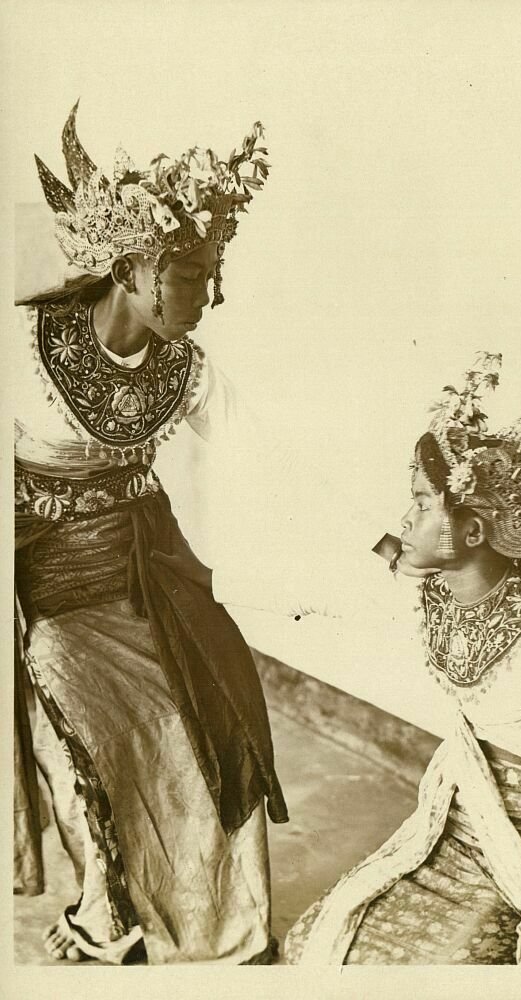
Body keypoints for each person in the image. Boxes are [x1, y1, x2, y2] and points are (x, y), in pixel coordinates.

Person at [212, 352, 521, 965]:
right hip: (461, 820)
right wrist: (201, 584)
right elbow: (326, 574)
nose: (405, 518)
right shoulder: (432, 596)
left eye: (422, 506)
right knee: (319, 942)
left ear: (472, 533)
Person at [13, 102, 288, 965]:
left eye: (211, 274)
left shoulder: (186, 368)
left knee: (211, 706)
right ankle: (107, 907)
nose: (207, 296)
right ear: (133, 267)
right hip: (45, 584)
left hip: (144, 570)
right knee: (92, 723)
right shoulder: (24, 349)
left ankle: (218, 924)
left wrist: (373, 546)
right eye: (190, 275)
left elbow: (266, 455)